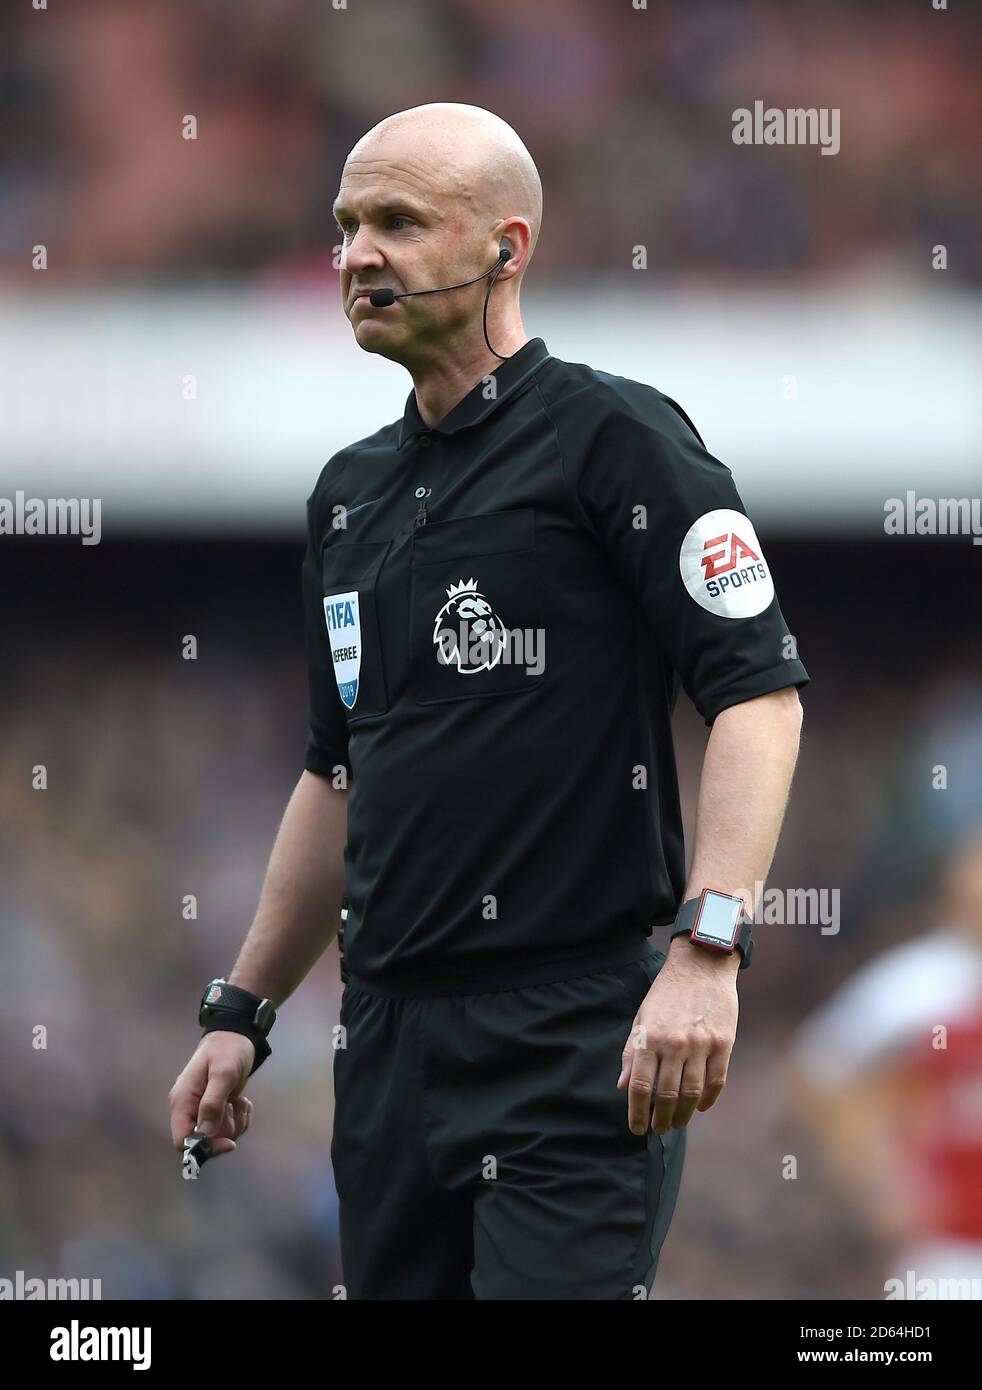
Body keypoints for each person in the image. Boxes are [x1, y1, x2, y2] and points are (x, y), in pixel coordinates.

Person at [169, 102, 808, 1300]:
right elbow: (335, 772)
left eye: (401, 223)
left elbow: (759, 696)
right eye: (349, 225)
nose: (360, 252)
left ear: (504, 249)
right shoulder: (347, 497)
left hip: (571, 1039)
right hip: (391, 1046)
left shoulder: (617, 440)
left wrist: (707, 949)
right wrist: (241, 1010)